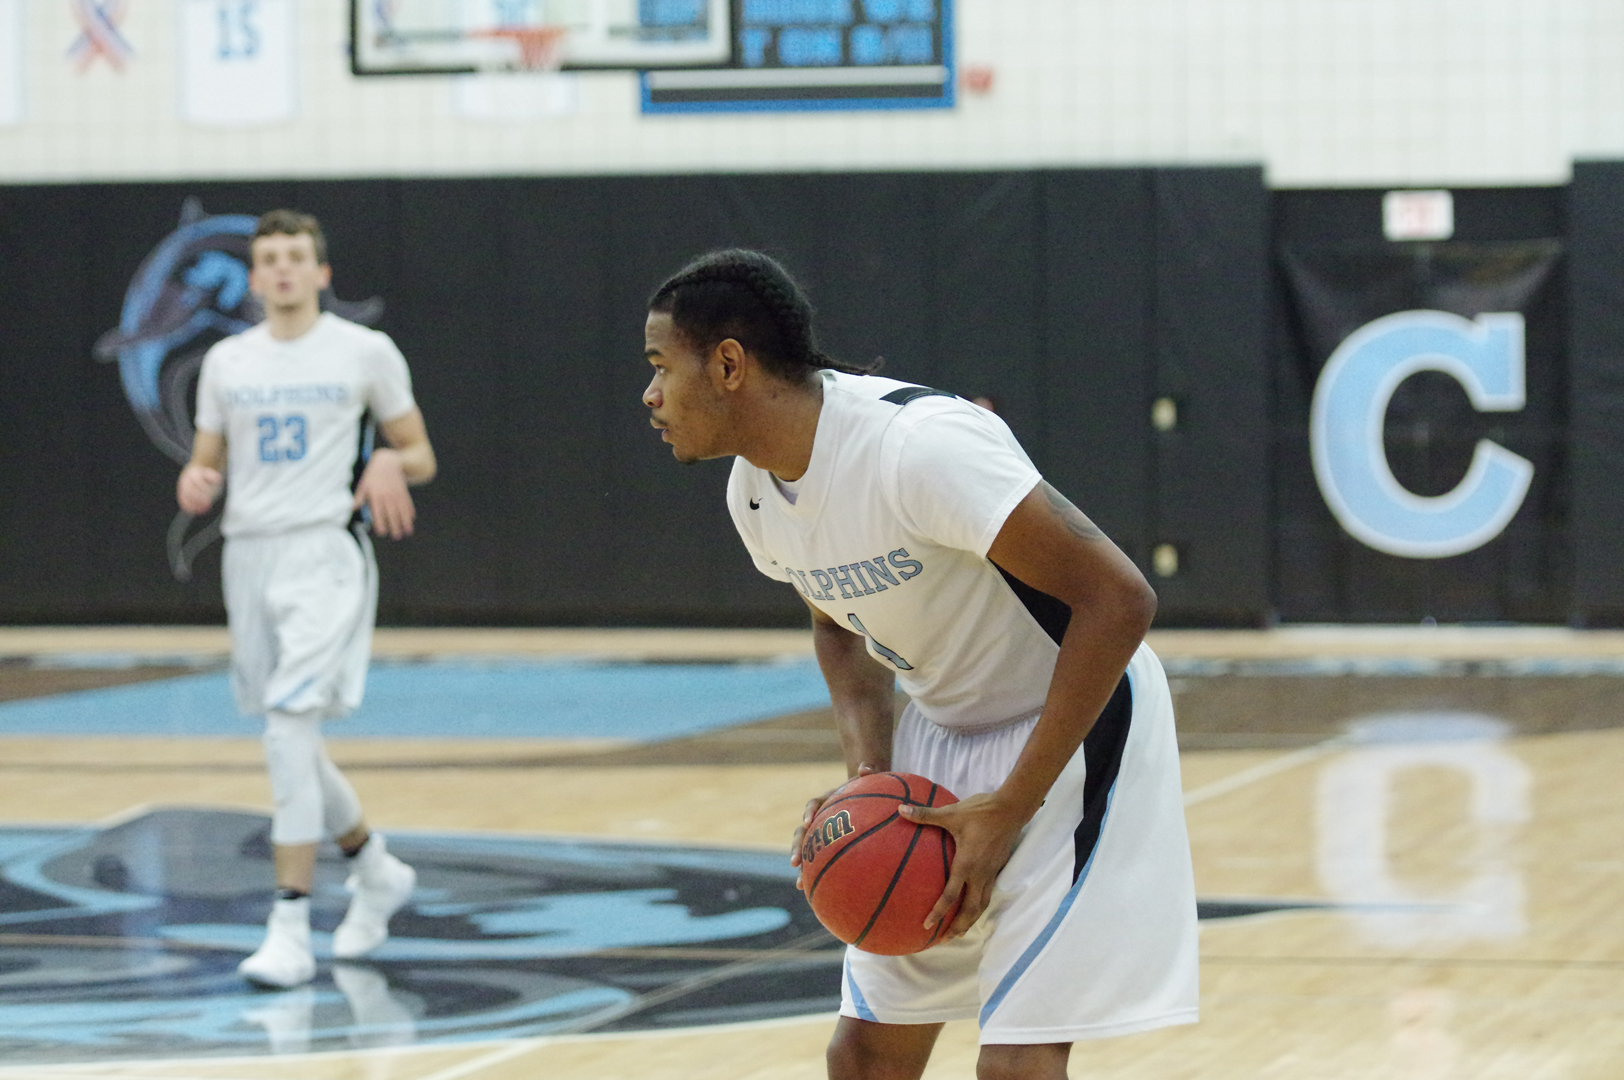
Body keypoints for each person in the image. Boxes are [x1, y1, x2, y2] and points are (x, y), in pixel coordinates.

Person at [641, 250, 1197, 1080]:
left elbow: (1120, 602)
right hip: (937, 728)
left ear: (728, 364)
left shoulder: (919, 450)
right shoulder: (754, 496)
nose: (649, 395)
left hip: (1073, 724)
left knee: (1015, 1065)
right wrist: (867, 773)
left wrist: (1013, 802)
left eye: (660, 367)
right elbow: (836, 627)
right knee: (866, 1057)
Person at [177, 210, 437, 988]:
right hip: (249, 555)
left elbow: (419, 450)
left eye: (297, 257)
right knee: (288, 735)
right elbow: (205, 461)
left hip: (325, 551)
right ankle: (376, 867)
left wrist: (392, 463)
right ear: (253, 278)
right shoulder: (226, 362)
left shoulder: (364, 352)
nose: (284, 269)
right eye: (270, 259)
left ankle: (289, 922)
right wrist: (197, 481)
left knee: (289, 726)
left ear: (322, 273)